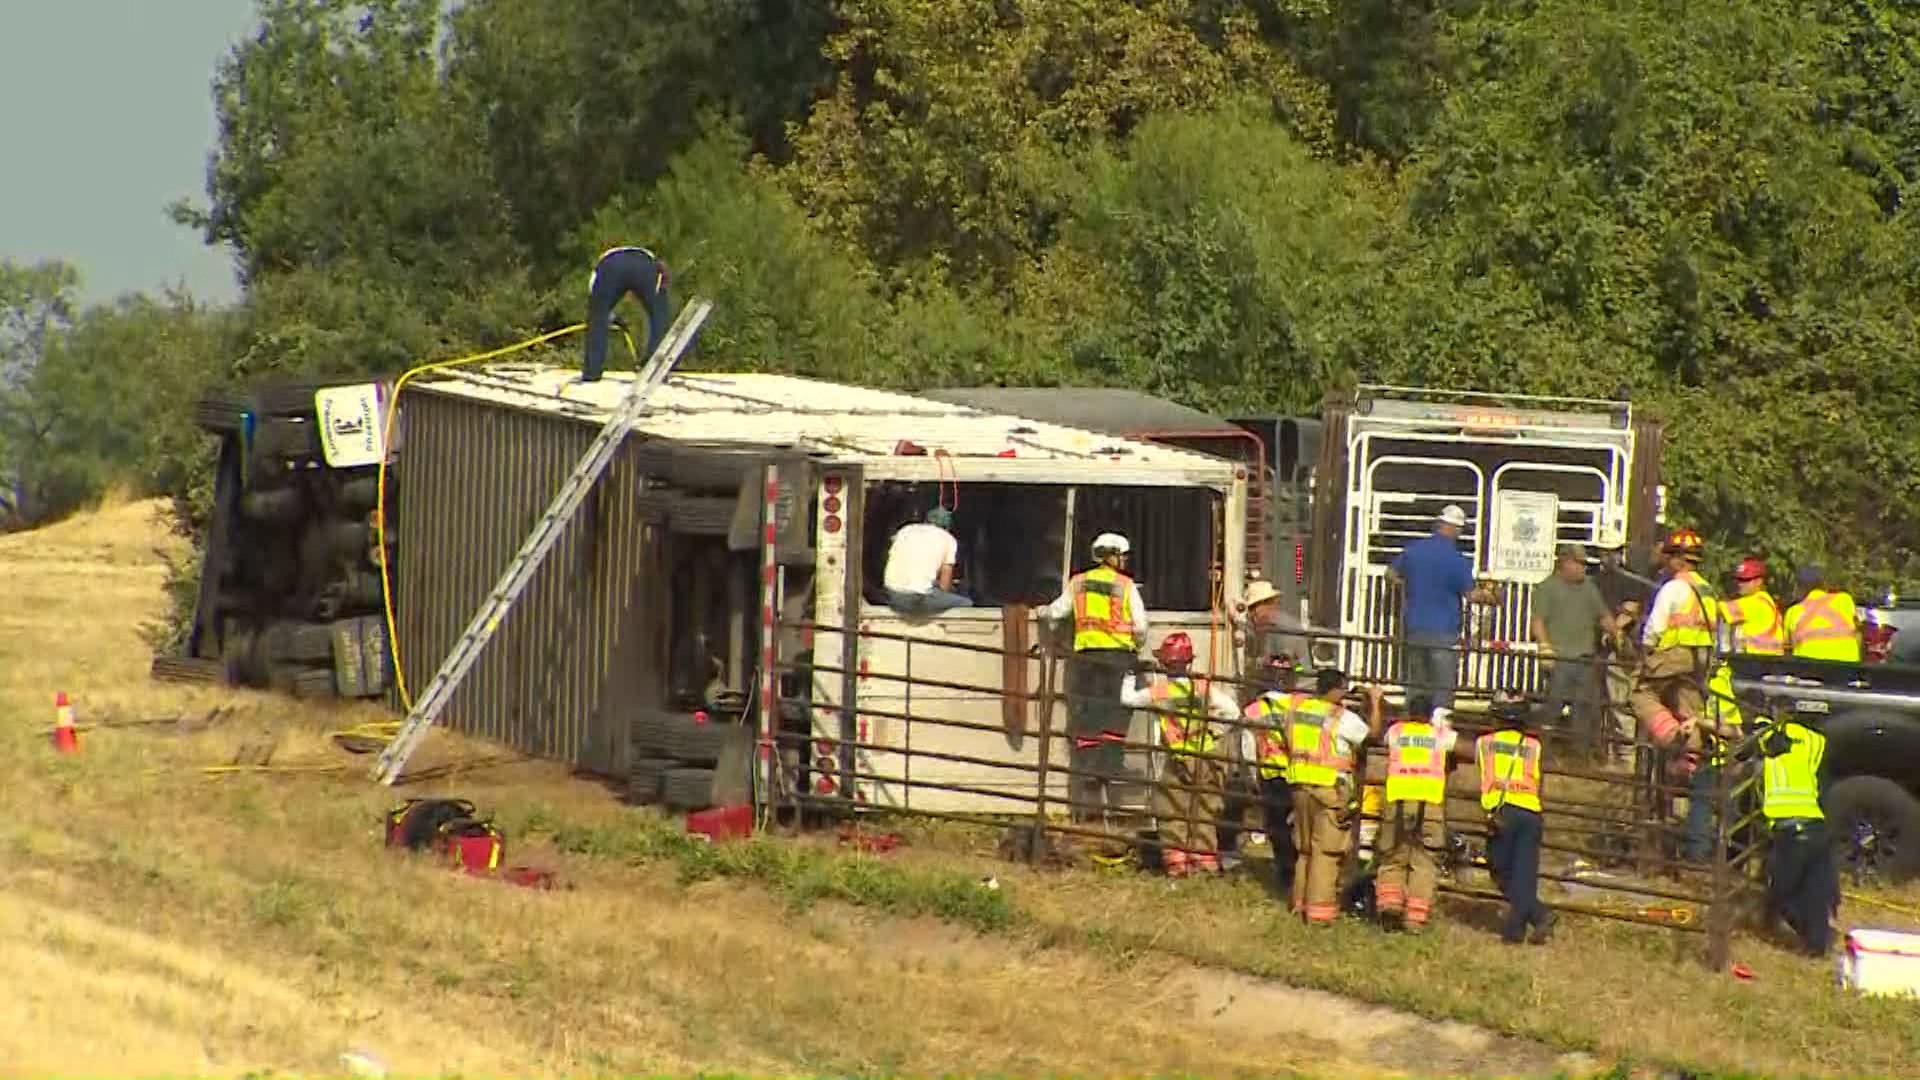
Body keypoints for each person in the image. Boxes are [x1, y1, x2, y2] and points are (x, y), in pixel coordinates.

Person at [1040, 533, 1150, 827]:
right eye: (1123, 555)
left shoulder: (1077, 583)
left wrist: (1057, 635)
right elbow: (1140, 626)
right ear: (1111, 555)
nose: (1125, 561)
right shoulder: (1126, 586)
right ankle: (1112, 768)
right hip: (1118, 658)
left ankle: (1088, 776)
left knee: (1087, 717)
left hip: (1085, 658)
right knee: (1115, 714)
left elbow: (1054, 612)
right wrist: (1136, 645)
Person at [1122, 632, 1239, 877]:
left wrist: (1130, 674)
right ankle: (1205, 863)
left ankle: (1177, 865)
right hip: (1205, 755)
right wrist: (1216, 732)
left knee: (1171, 807)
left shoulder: (1160, 692)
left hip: (1177, 757)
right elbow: (1233, 712)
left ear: (1165, 664)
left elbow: (1128, 700)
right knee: (1204, 809)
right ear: (1189, 662)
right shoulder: (1203, 688)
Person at [1287, 668, 1385, 925]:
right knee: (1326, 852)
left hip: (1299, 784)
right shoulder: (1341, 717)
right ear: (1337, 689)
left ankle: (1299, 904)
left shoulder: (1300, 709)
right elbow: (1373, 736)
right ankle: (1319, 914)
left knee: (1305, 850)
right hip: (1329, 789)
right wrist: (1374, 701)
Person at [1630, 528, 1725, 779]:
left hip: (1673, 654)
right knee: (1689, 710)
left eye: (1670, 556)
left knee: (1640, 693)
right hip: (1700, 660)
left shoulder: (1674, 587)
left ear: (1678, 559)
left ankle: (1673, 735)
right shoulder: (1707, 590)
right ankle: (1689, 766)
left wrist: (1646, 649)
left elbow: (1654, 627)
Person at [1389, 505, 1496, 709]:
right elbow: (1471, 595)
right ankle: (1439, 730)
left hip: (1414, 625)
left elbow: (1390, 574)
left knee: (1416, 683)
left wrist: (1405, 585)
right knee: (1442, 688)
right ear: (1455, 529)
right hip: (1444, 630)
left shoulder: (1413, 551)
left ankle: (1412, 724)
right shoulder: (1457, 560)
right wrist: (1491, 597)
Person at [1752, 717, 1838, 956]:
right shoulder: (1811, 741)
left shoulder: (1765, 742)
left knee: (1782, 892)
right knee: (1815, 889)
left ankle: (1806, 934)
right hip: (1817, 825)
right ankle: (1818, 945)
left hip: (1791, 830)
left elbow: (1742, 746)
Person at [1477, 691, 1556, 945]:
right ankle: (1538, 915)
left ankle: (1518, 930)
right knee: (1524, 873)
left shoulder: (1484, 743)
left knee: (1500, 869)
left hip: (1503, 812)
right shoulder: (1535, 746)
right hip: (1530, 810)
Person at [1374, 696, 1458, 932]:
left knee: (1392, 855)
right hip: (1428, 801)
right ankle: (1415, 919)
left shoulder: (1395, 731)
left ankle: (1389, 907)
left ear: (1409, 712)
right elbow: (1463, 749)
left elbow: (1380, 737)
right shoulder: (1441, 736)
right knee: (1424, 860)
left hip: (1397, 800)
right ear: (1431, 715)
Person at [1529, 543, 1617, 758]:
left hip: (1584, 658)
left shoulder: (1589, 588)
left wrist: (1617, 634)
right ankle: (1544, 752)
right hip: (1559, 658)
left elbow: (1603, 616)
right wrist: (1545, 646)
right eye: (1578, 563)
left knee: (1584, 709)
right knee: (1552, 706)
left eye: (1583, 564)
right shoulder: (1547, 588)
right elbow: (1538, 621)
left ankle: (1580, 755)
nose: (1582, 568)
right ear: (1564, 562)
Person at [1236, 653, 1307, 888]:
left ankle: (1285, 871)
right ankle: (1303, 869)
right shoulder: (1303, 706)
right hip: (1300, 773)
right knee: (1302, 824)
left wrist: (1250, 775)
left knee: (1277, 825)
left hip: (1270, 773)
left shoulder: (1254, 709)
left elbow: (1247, 746)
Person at [582, 245, 670, 382]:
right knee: (659, 316)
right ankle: (654, 368)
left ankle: (592, 372)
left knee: (598, 316)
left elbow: (595, 302)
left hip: (612, 265)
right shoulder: (651, 258)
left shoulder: (604, 262)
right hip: (645, 265)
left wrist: (609, 316)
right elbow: (662, 285)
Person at [881, 506, 970, 615]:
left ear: (925, 521)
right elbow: (944, 586)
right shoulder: (949, 539)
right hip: (916, 599)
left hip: (891, 593)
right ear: (947, 527)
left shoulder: (906, 530)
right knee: (966, 603)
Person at [1786, 566, 1862, 663]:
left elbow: (1789, 646)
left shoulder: (1793, 611)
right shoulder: (1845, 600)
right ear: (1824, 585)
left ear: (1801, 588)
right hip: (1847, 670)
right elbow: (1858, 635)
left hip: (1809, 671)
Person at [1723, 557, 1785, 655]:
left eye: (1746, 579)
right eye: (1739, 579)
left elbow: (1717, 610)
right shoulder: (1765, 600)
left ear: (1759, 581)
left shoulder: (1756, 602)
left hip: (1758, 663)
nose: (1740, 584)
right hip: (1769, 662)